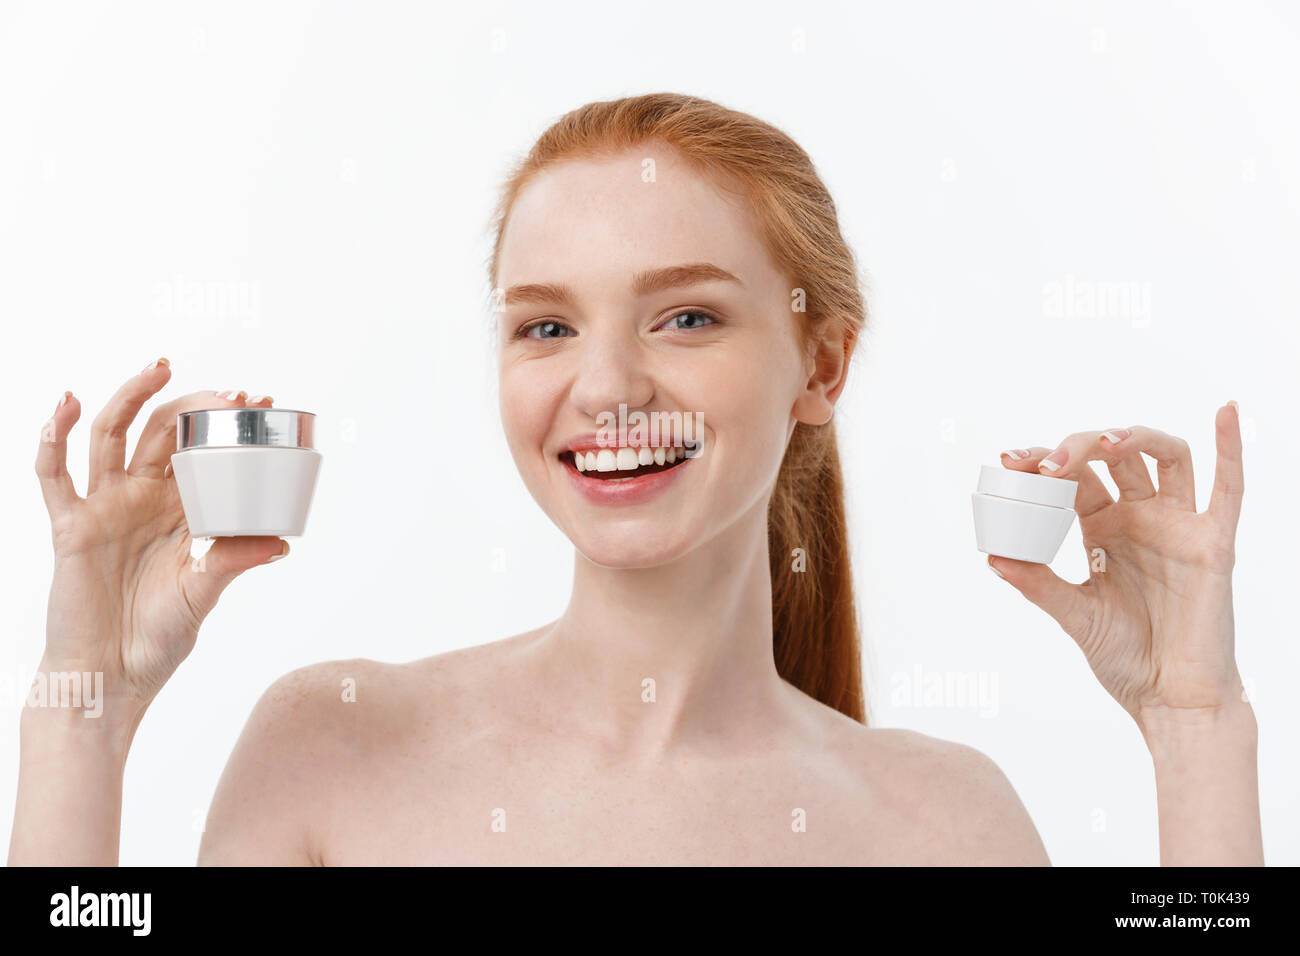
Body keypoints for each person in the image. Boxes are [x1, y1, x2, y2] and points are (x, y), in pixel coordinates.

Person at [10, 93, 1261, 865]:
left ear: (819, 364)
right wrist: (89, 709)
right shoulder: (330, 742)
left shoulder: (947, 825)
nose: (603, 387)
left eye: (685, 319)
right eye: (545, 327)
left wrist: (1195, 730)